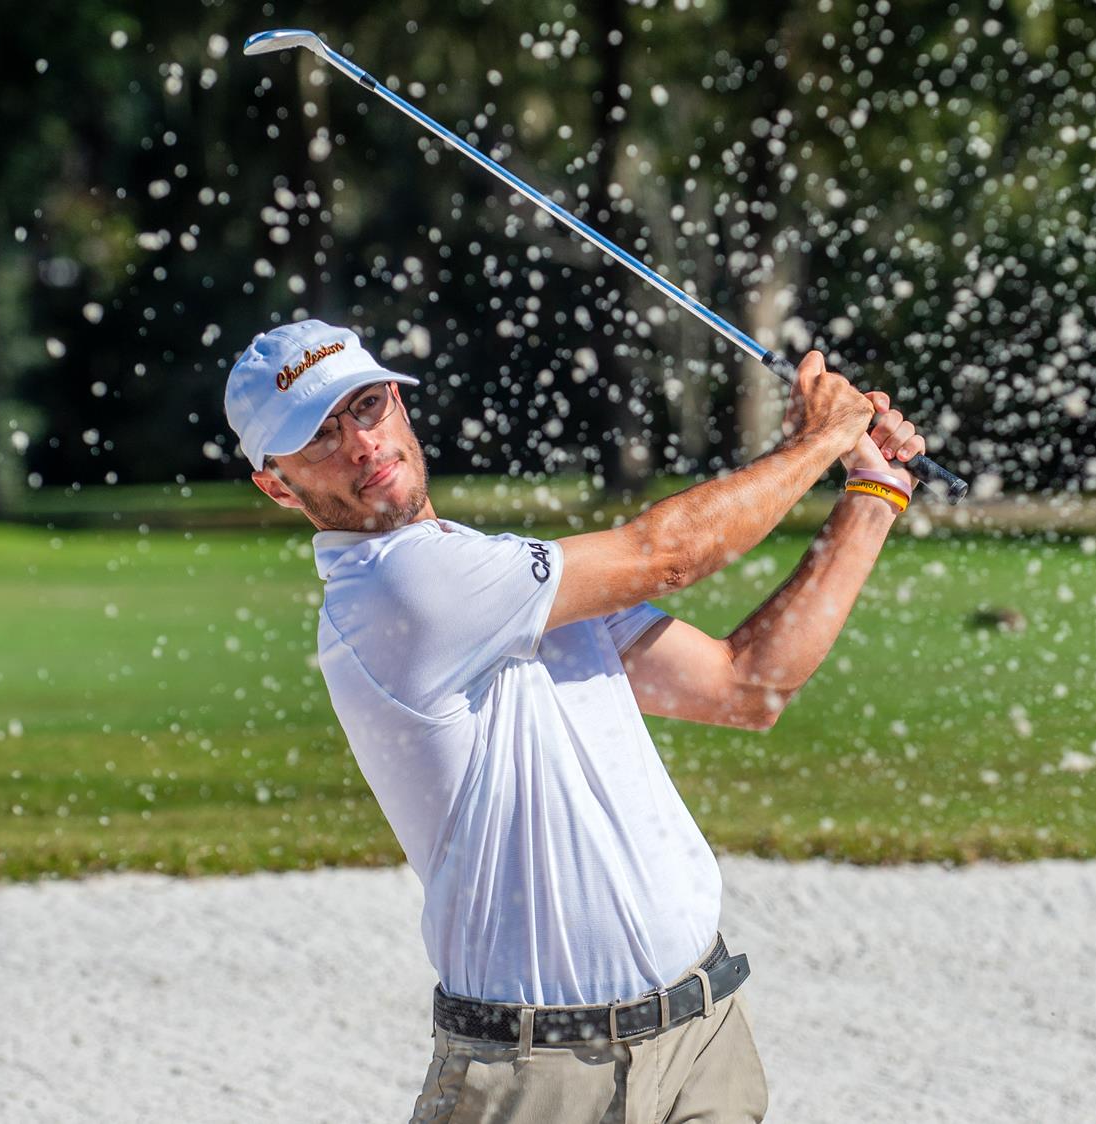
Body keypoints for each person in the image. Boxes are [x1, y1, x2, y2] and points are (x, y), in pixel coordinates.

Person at [224, 319, 929, 1124]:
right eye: (316, 437)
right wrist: (820, 438)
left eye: (366, 405)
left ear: (400, 405)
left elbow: (747, 686)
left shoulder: (502, 573)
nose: (358, 443)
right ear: (278, 486)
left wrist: (873, 490)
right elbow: (669, 553)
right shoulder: (394, 590)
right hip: (538, 1079)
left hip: (702, 1042)